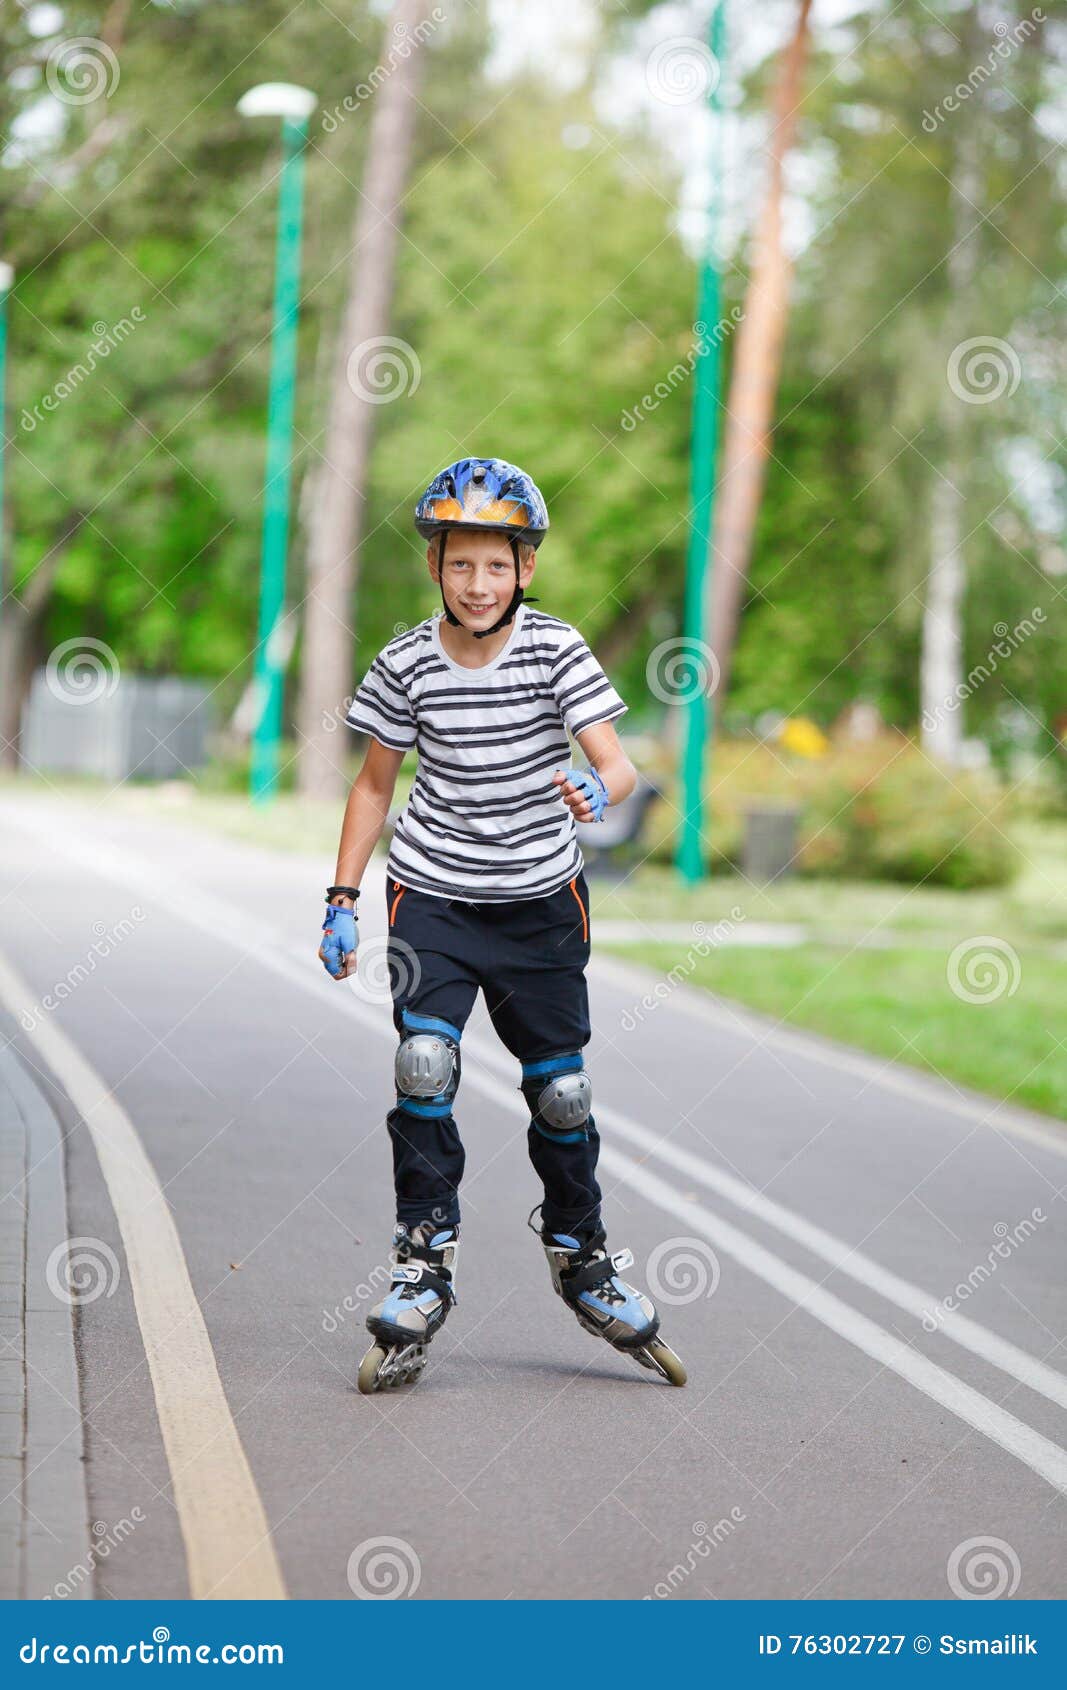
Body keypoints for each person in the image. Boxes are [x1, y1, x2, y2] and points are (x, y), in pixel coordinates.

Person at [318, 456, 685, 1392]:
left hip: (538, 906)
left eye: (495, 565)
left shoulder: (555, 650)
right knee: (424, 1069)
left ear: (525, 568)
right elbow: (373, 786)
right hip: (433, 895)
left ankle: (582, 1254)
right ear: (434, 568)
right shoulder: (404, 661)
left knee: (560, 1095)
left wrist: (588, 789)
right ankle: (421, 1266)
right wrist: (342, 900)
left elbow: (619, 769)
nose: (476, 584)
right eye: (458, 565)